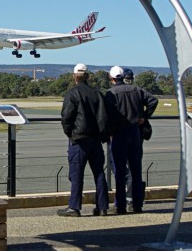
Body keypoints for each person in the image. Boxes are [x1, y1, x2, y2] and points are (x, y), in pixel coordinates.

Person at [58, 63, 110, 217]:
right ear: (88, 76)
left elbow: (66, 117)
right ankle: (102, 207)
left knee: (76, 175)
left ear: (74, 76)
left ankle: (74, 207)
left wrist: (70, 134)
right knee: (99, 173)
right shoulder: (97, 93)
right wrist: (102, 136)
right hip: (95, 139)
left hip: (79, 139)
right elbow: (103, 117)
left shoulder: (72, 94)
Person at [104, 66, 158, 214]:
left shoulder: (111, 93)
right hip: (135, 131)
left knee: (120, 171)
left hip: (119, 133)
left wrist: (109, 131)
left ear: (112, 78)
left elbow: (108, 115)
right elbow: (153, 100)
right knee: (136, 170)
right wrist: (144, 116)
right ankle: (136, 204)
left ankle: (120, 205)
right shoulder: (136, 90)